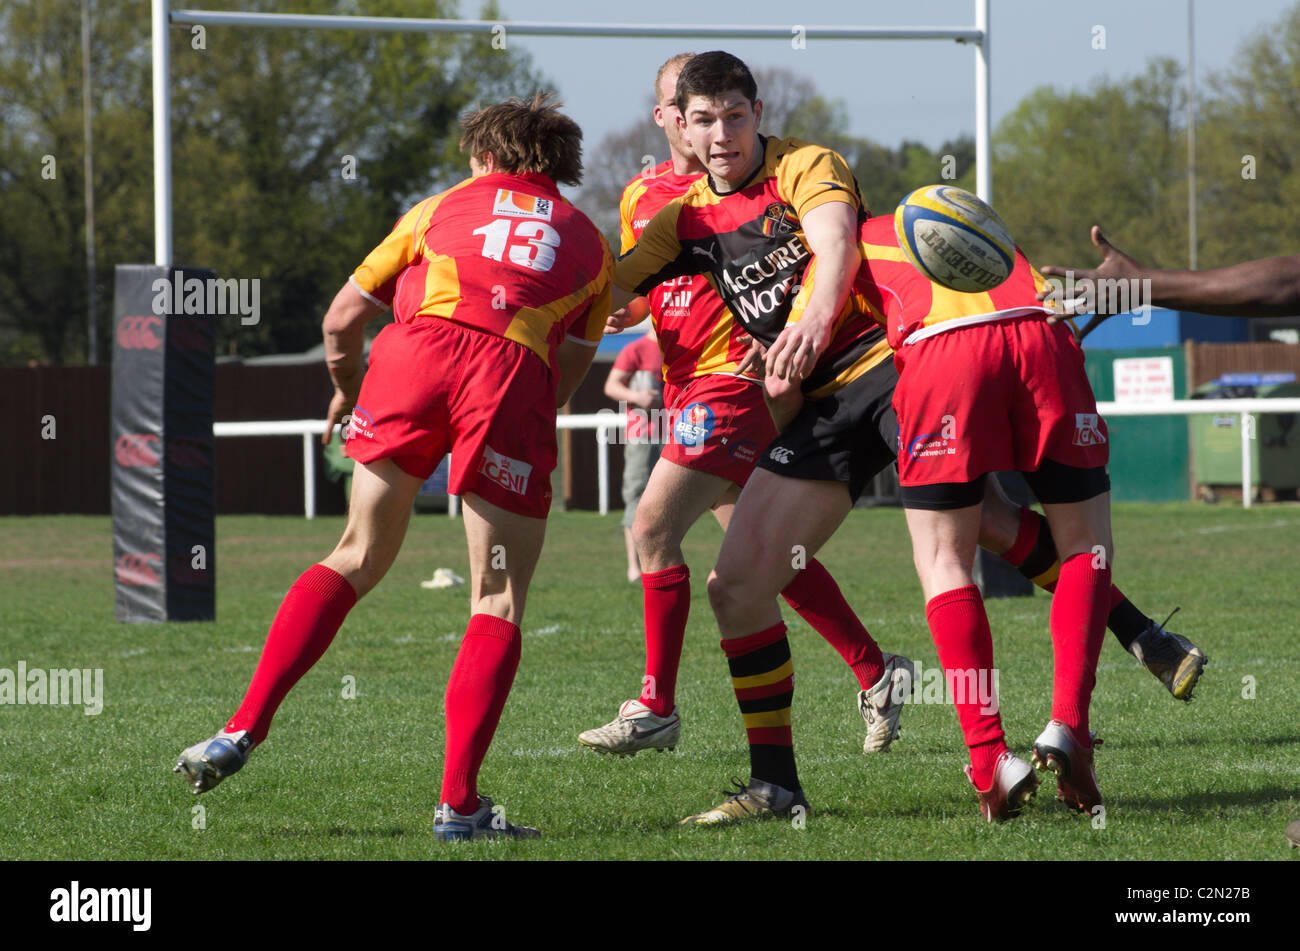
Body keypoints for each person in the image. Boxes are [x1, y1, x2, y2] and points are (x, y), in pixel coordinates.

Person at [173, 94, 614, 842]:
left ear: (483, 157)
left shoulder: (436, 208)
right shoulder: (592, 247)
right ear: (558, 166)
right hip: (509, 373)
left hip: (415, 356)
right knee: (496, 597)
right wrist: (521, 421)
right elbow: (568, 368)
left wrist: (347, 392)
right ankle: (459, 805)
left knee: (356, 553)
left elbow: (341, 320)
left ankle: (239, 729)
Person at [581, 53, 915, 766]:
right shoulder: (652, 201)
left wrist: (807, 324)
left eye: (727, 112)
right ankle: (875, 671)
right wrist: (585, 306)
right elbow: (636, 289)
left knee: (650, 524)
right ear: (667, 117)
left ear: (750, 113)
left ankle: (656, 704)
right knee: (764, 560)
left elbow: (830, 251)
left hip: (739, 378)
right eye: (689, 110)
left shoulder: (785, 174)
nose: (706, 124)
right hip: (686, 382)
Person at [851, 212, 1114, 821]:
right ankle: (1070, 724)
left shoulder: (836, 245)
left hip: (943, 353)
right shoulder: (945, 208)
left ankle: (989, 757)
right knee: (1085, 547)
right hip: (1043, 333)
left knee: (945, 557)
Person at [604, 325, 664, 583]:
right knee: (636, 496)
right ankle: (634, 567)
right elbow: (612, 386)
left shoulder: (675, 349)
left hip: (673, 433)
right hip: (642, 434)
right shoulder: (635, 349)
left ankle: (662, 562)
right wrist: (638, 396)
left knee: (666, 502)